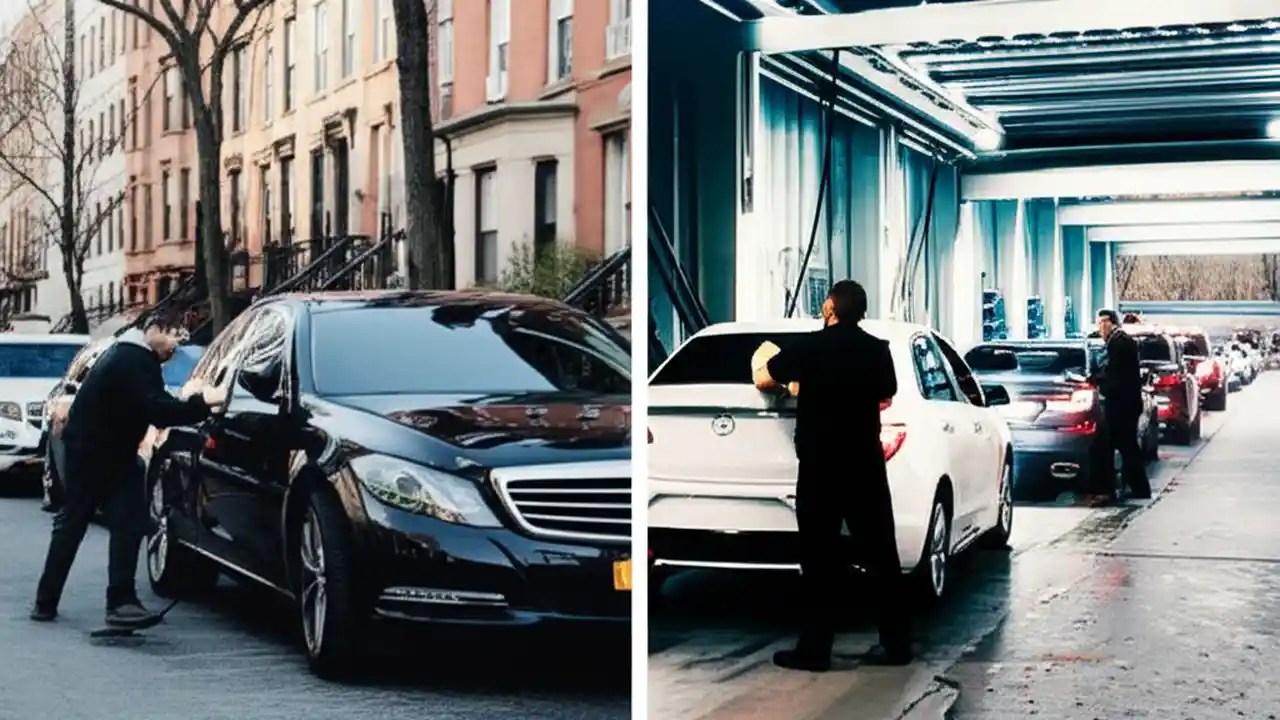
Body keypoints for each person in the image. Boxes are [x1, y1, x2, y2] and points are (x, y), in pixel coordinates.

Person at [753, 280, 911, 672]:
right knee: (882, 556)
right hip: (865, 465)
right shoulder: (877, 349)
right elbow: (886, 391)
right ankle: (896, 646)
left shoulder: (810, 346)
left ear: (830, 308)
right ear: (862, 311)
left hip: (820, 465)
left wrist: (800, 384)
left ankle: (815, 650)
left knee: (819, 559)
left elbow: (766, 375)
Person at [30, 317, 225, 628]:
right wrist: (203, 404)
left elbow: (152, 405)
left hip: (99, 450)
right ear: (153, 329)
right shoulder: (135, 360)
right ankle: (118, 603)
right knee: (110, 522)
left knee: (90, 522)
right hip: (100, 453)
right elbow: (159, 410)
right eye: (175, 335)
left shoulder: (125, 354)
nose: (177, 345)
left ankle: (52, 601)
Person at [1089, 309, 1152, 504]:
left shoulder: (1120, 343)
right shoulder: (1118, 342)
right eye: (1099, 323)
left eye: (1103, 322)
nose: (1100, 327)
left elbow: (1116, 374)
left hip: (1122, 405)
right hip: (1124, 404)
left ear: (1112, 323)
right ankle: (1137, 488)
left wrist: (1097, 380)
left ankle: (1110, 490)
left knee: (1109, 446)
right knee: (1127, 447)